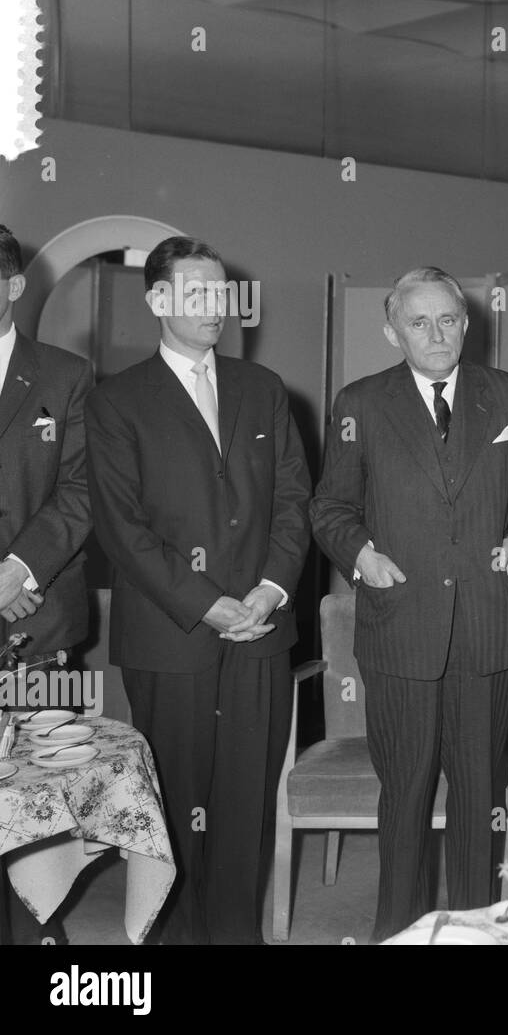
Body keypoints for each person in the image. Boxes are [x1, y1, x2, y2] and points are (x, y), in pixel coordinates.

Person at [85, 236, 312, 944]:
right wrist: (208, 605)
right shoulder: (117, 400)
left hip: (261, 635)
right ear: (158, 301)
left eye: (223, 295)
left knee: (244, 808)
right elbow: (122, 529)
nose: (218, 309)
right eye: (199, 294)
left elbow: (293, 501)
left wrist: (270, 591)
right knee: (176, 811)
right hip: (171, 636)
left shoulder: (264, 389)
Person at [310, 267, 508, 941]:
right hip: (400, 626)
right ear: (393, 331)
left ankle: (476, 932)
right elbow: (329, 507)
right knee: (406, 798)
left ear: (467, 324)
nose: (438, 333)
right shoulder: (360, 404)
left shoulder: (507, 397)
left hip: (486, 629)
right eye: (420, 322)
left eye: (449, 320)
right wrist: (360, 555)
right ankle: (400, 933)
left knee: (481, 799)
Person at [0, 225, 93, 946]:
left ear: (12, 287)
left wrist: (15, 572)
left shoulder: (67, 377)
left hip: (43, 629)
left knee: (37, 811)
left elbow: (82, 492)